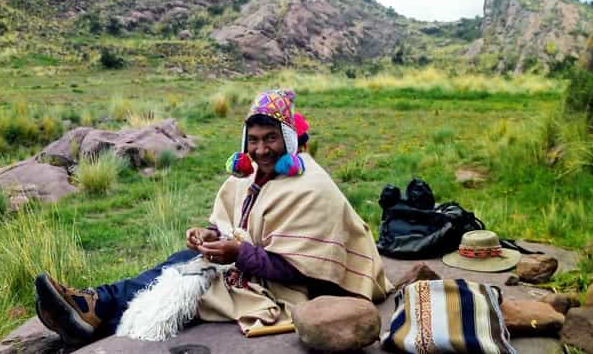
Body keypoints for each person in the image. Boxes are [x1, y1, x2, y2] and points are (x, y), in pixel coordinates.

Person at [34, 89, 392, 346]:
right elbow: (228, 224)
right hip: (254, 267)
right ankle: (91, 309)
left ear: (290, 142)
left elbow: (301, 268)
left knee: (187, 281)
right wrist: (206, 235)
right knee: (183, 262)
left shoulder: (312, 187)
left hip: (296, 287)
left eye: (271, 139)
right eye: (253, 140)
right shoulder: (251, 176)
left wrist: (237, 254)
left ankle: (92, 310)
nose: (261, 149)